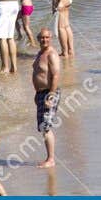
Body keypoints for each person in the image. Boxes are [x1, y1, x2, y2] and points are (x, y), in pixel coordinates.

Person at [31, 28, 60, 167]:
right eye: (42, 37)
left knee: (46, 127)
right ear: (38, 39)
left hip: (49, 93)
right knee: (42, 127)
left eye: (47, 37)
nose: (44, 40)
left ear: (51, 38)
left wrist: (51, 96)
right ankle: (49, 158)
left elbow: (55, 75)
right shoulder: (39, 53)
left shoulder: (51, 54)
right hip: (40, 94)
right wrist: (37, 94)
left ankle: (51, 159)